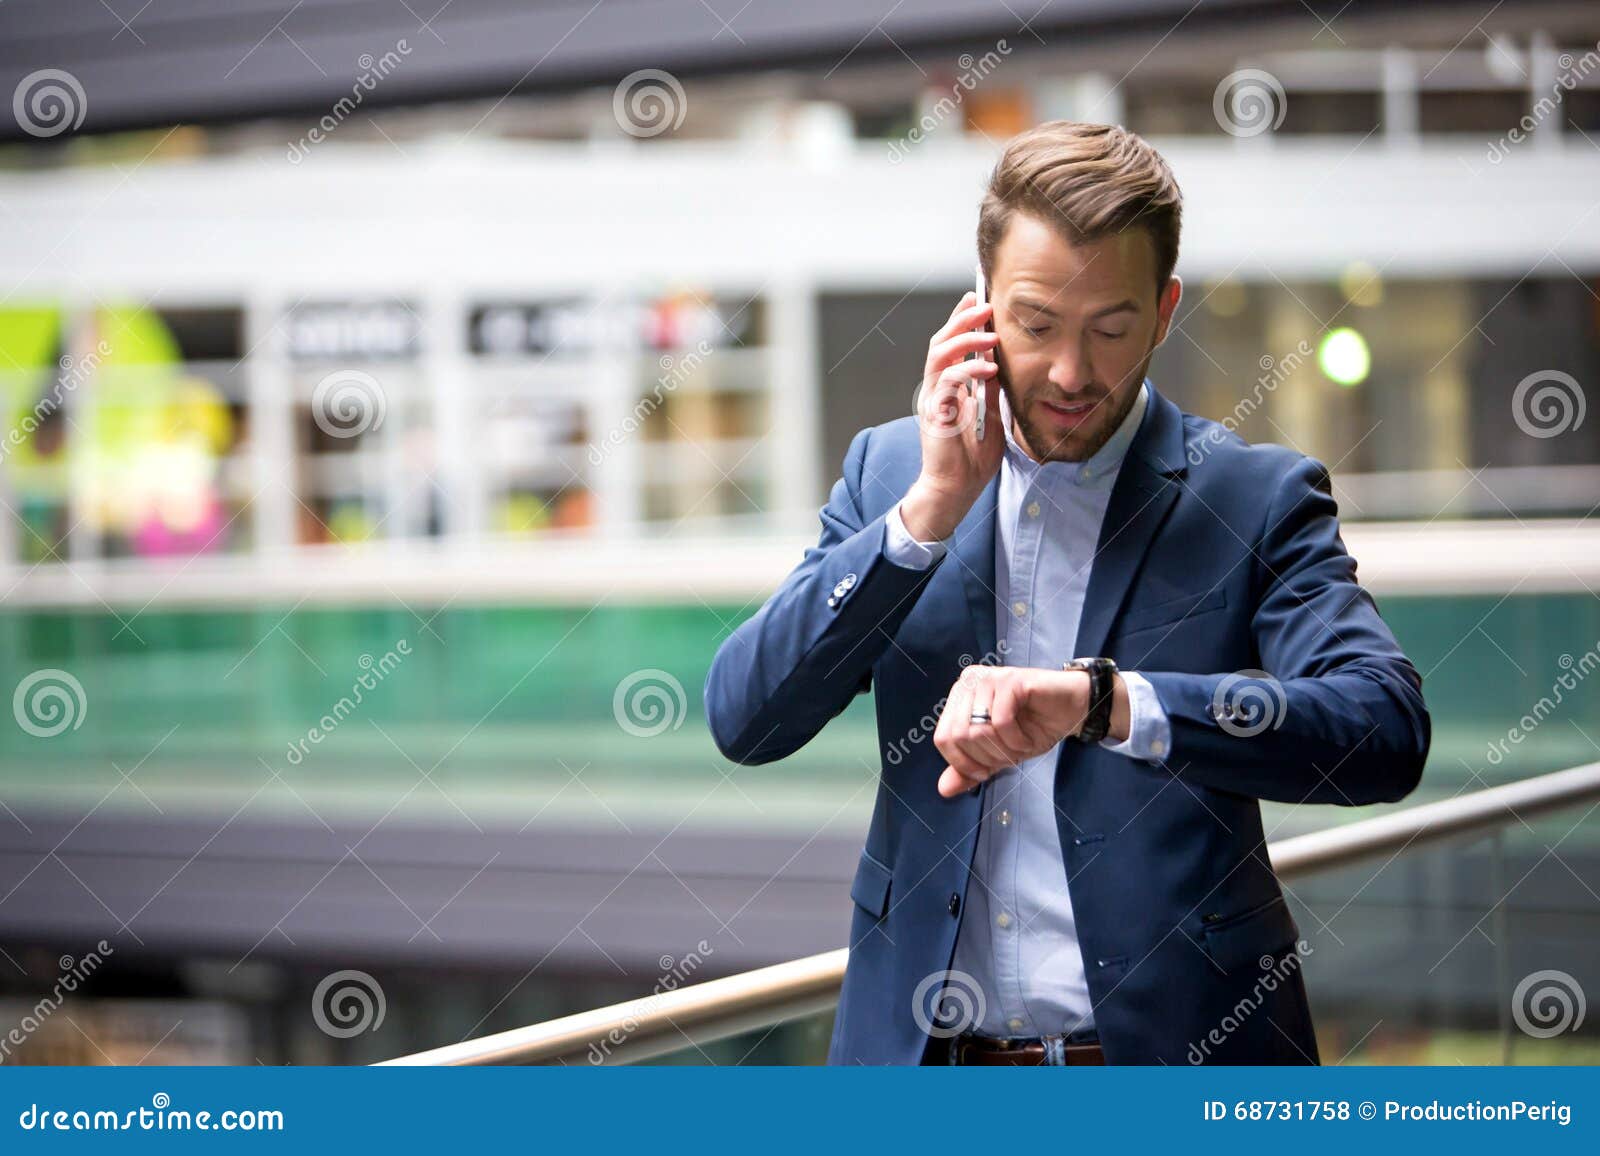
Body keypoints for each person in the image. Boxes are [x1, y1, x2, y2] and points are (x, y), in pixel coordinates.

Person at [704, 121, 1430, 1065]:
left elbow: (1383, 729)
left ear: (1165, 310)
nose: (1072, 373)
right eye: (1037, 325)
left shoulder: (1254, 496)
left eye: (1112, 329)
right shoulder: (892, 474)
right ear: (979, 311)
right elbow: (746, 719)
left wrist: (1109, 703)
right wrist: (926, 515)